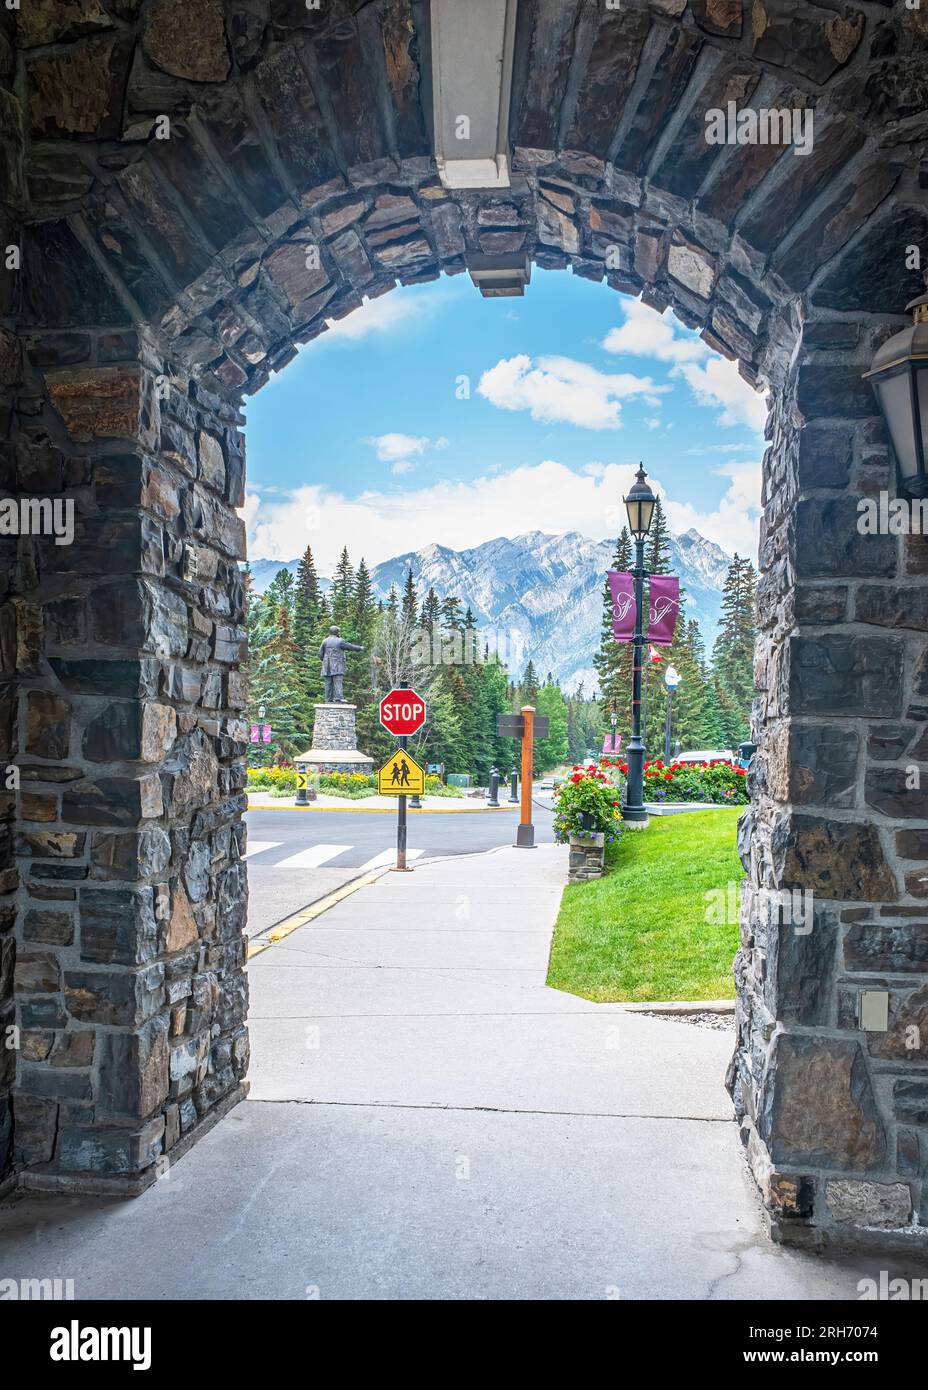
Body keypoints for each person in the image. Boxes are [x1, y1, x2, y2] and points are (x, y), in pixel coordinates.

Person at [318, 625, 363, 703]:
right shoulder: (340, 641)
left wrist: (325, 661)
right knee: (338, 681)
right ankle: (339, 698)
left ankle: (328, 700)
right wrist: (360, 648)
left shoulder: (324, 641)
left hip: (326, 666)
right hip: (337, 666)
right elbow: (350, 647)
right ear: (337, 632)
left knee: (328, 683)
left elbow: (320, 654)